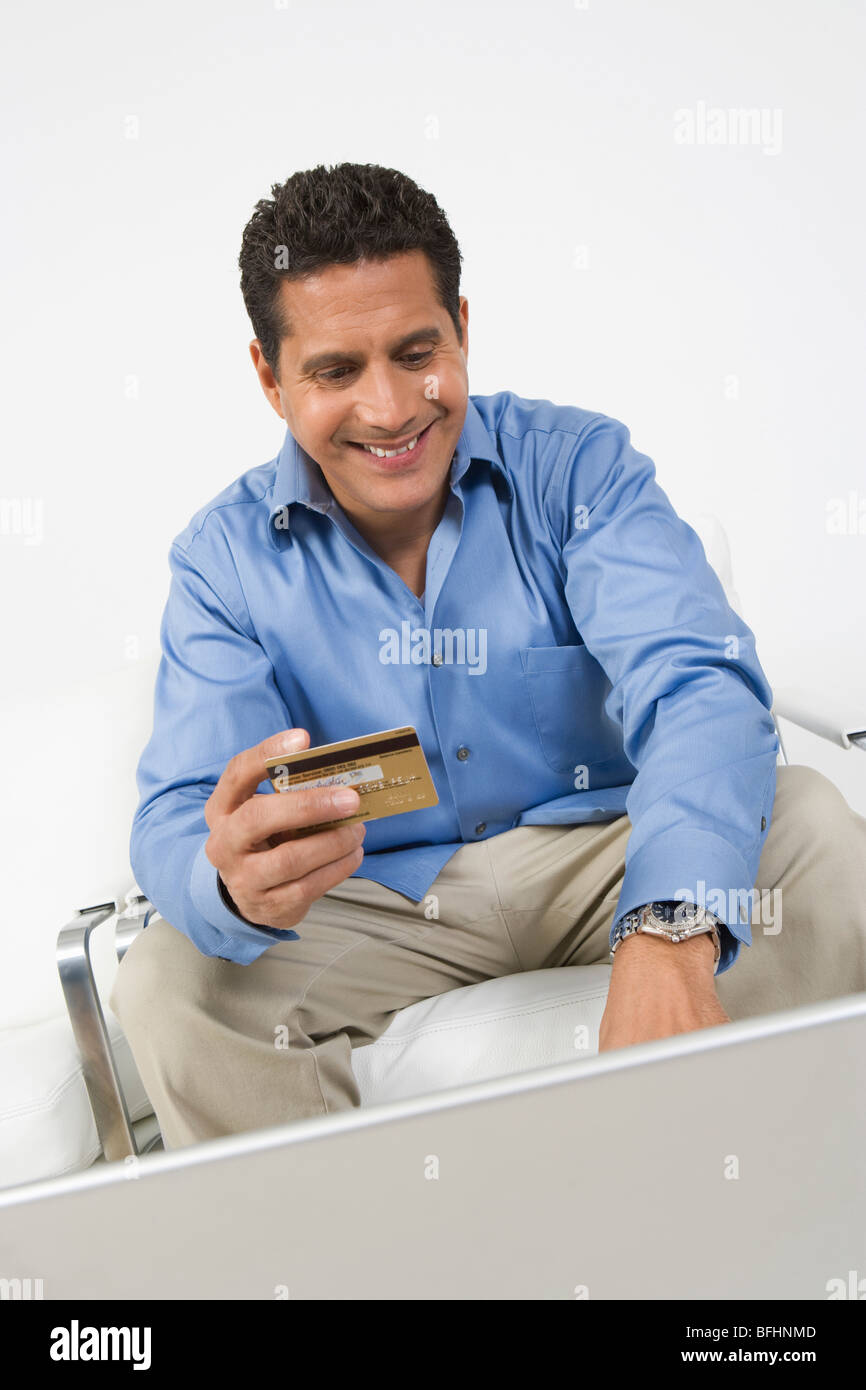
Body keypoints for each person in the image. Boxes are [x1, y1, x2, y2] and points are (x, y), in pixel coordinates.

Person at [110, 162, 866, 1149]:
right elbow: (177, 812)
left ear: (459, 327)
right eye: (336, 371)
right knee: (167, 983)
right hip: (379, 899)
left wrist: (671, 919)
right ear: (269, 375)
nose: (388, 409)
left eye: (415, 351)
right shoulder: (223, 561)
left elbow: (698, 686)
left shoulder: (577, 467)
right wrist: (227, 879)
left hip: (603, 850)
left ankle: (765, 1189)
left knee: (811, 828)